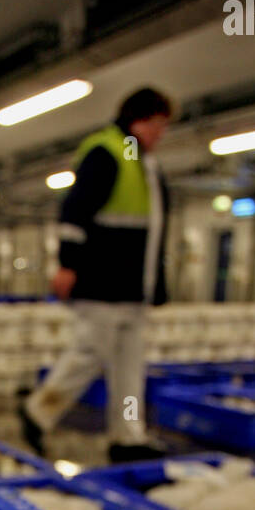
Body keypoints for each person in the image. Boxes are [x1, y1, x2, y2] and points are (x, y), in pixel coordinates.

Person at [21, 86, 172, 462]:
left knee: (129, 369)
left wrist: (155, 285)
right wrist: (68, 264)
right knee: (90, 352)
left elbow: (151, 233)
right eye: (157, 125)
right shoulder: (107, 152)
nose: (161, 134)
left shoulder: (145, 164)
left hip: (133, 287)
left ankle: (127, 438)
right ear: (139, 121)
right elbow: (74, 212)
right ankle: (37, 411)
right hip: (103, 281)